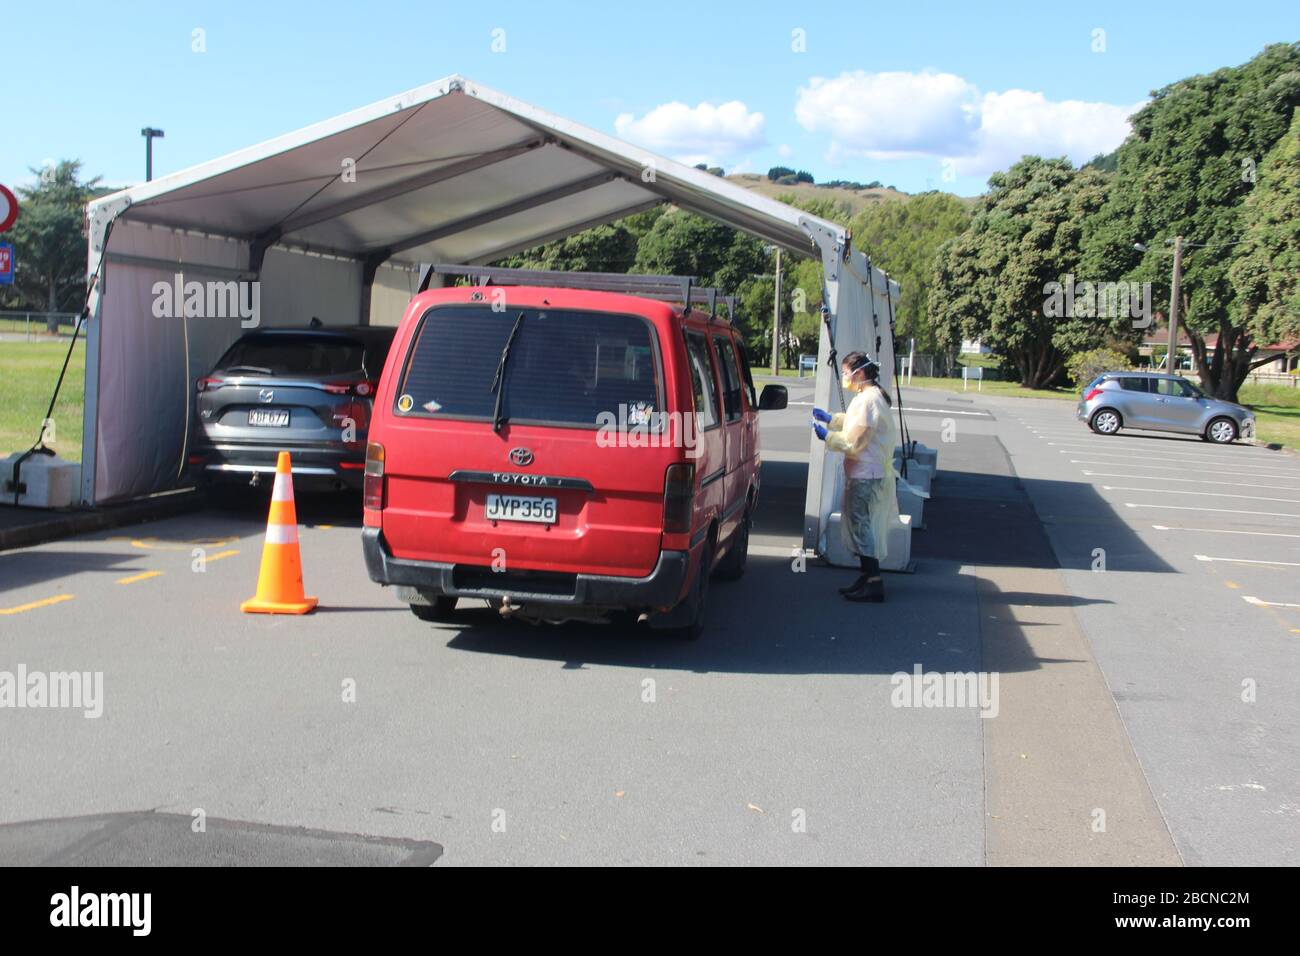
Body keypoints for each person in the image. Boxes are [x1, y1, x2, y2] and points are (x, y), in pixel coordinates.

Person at [811, 352, 898, 602]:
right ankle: (867, 576)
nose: (845, 378)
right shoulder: (870, 397)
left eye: (846, 372)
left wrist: (827, 436)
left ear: (859, 373)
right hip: (868, 473)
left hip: (865, 474)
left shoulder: (868, 401)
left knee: (861, 527)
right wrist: (832, 420)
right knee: (861, 525)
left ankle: (873, 581)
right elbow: (853, 424)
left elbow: (854, 442)